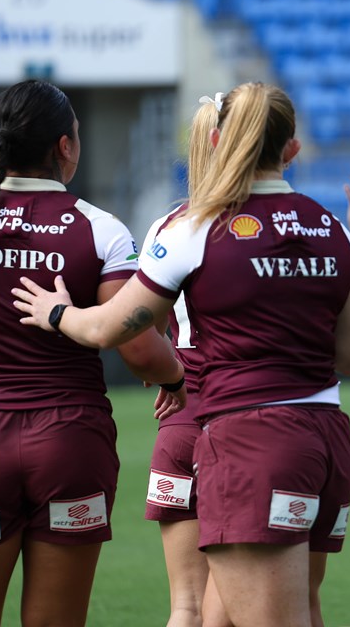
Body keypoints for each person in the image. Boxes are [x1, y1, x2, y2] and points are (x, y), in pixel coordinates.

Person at [13, 82, 350, 627]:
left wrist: (57, 312)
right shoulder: (335, 231)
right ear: (293, 149)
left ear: (220, 140)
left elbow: (112, 326)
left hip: (250, 441)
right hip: (326, 439)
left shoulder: (194, 228)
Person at [0, 80, 186, 626]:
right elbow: (138, 348)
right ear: (65, 146)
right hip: (71, 446)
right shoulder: (99, 228)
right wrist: (176, 378)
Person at [140, 95, 217, 627]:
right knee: (276, 605)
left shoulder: (167, 226)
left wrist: (168, 374)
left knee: (186, 608)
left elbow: (136, 325)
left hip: (182, 418)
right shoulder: (294, 222)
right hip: (261, 421)